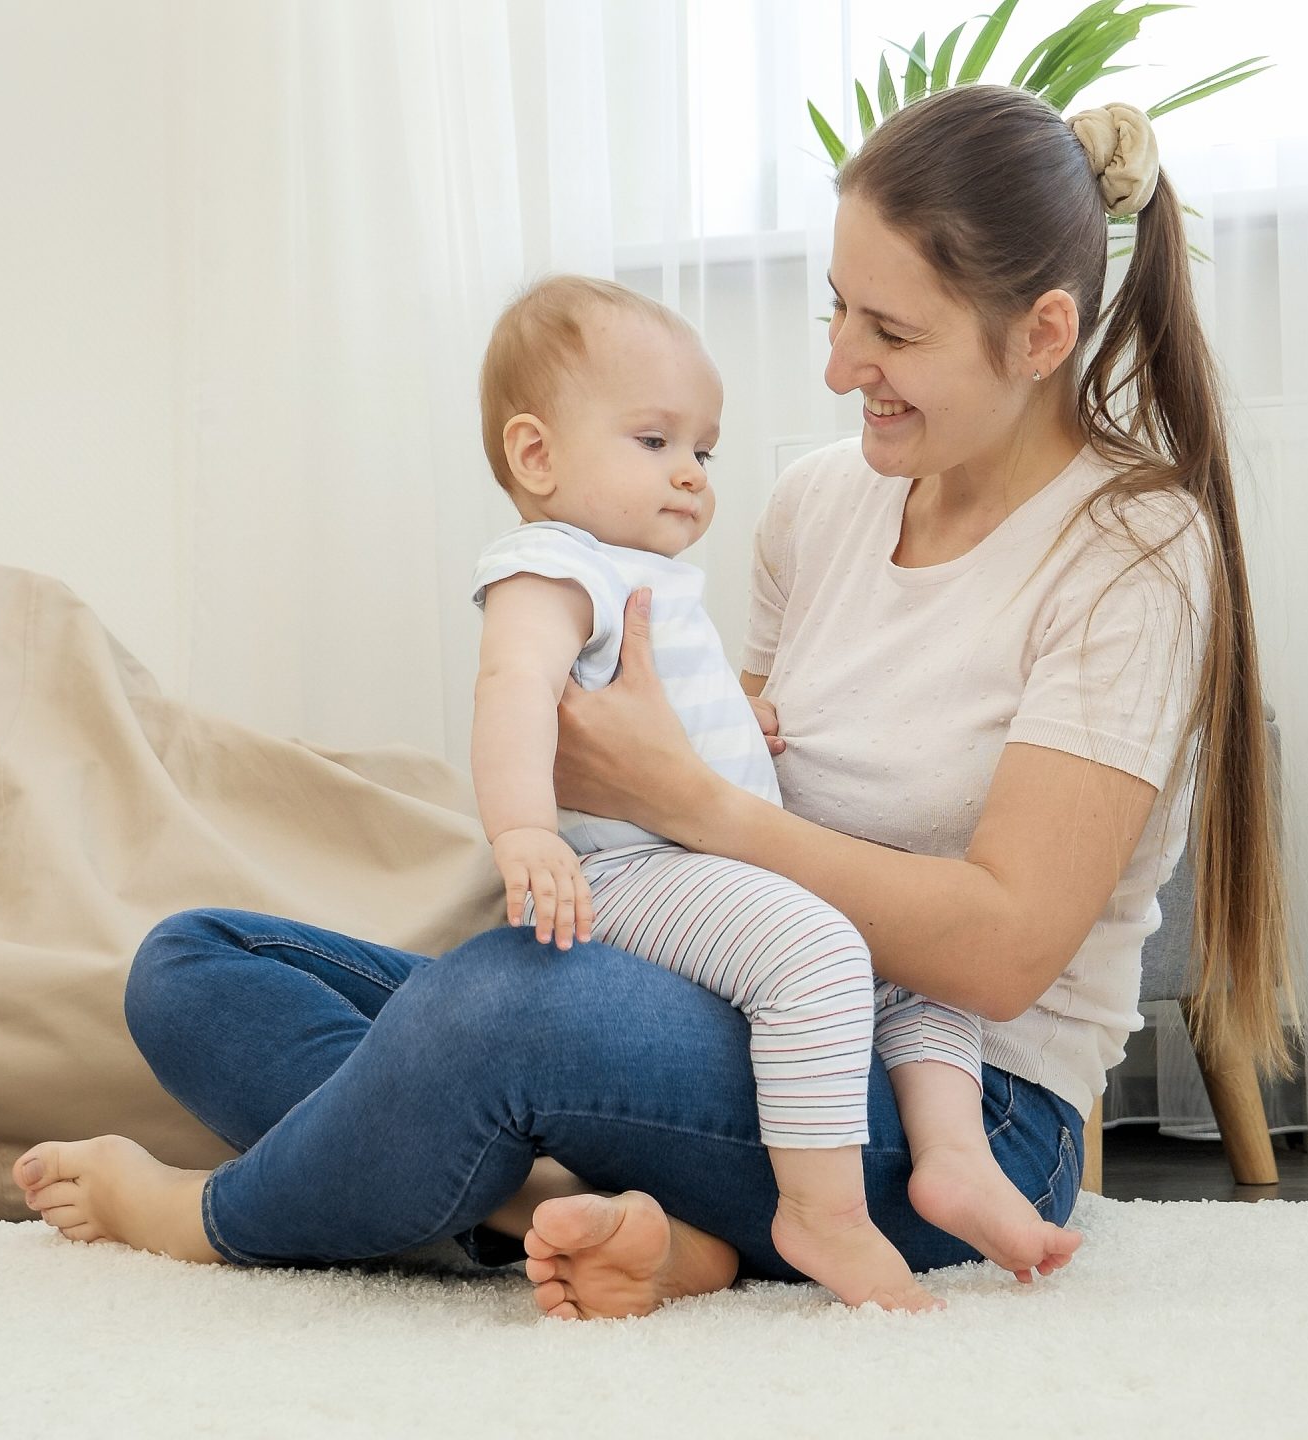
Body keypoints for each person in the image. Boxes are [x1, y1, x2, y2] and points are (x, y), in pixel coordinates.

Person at [9, 83, 1292, 1322]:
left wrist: (683, 794)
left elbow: (1005, 955)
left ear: (1042, 336)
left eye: (892, 334)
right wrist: (644, 767)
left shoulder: (1133, 551)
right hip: (731, 1004)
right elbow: (725, 748)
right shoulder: (819, 502)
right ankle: (574, 1208)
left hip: (956, 1103)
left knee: (501, 1006)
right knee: (197, 965)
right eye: (836, 311)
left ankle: (211, 1218)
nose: (845, 368)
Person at [462, 273, 1079, 1312]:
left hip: (704, 861)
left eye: (702, 450)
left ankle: (955, 1156)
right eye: (654, 442)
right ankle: (823, 1214)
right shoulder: (549, 568)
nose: (692, 475)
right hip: (629, 873)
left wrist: (738, 725)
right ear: (536, 454)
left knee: (919, 965)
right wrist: (524, 831)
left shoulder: (641, 573)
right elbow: (511, 688)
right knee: (819, 950)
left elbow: (670, 730)